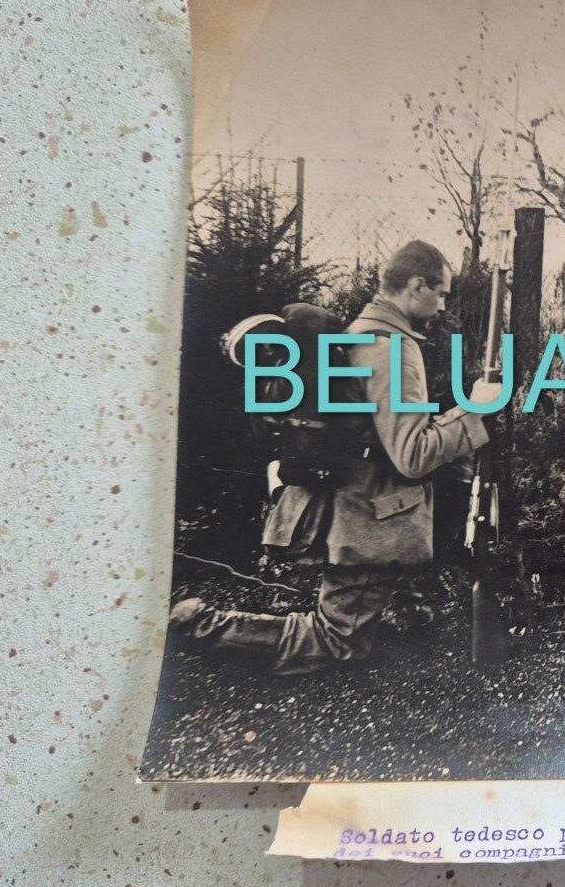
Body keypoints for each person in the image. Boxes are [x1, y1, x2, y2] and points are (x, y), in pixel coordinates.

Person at [169, 239, 502, 675]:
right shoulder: (391, 348)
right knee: (338, 641)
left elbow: (377, 434)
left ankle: (404, 603)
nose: (442, 305)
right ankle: (203, 626)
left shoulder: (359, 333)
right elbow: (412, 455)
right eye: (441, 293)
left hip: (349, 504)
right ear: (417, 286)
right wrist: (477, 410)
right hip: (368, 518)